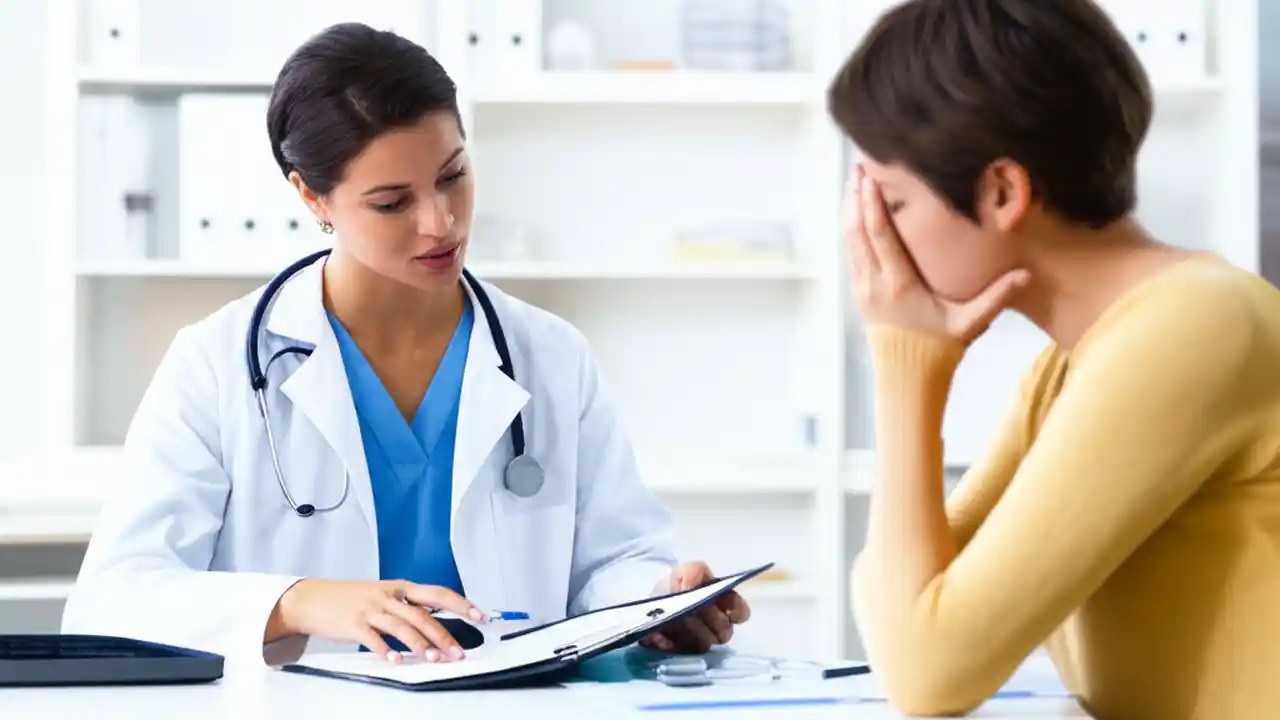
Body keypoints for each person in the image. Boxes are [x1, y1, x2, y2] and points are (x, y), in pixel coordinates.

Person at [62, 23, 748, 667]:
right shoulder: (215, 365)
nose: (440, 222)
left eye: (453, 175)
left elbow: (612, 561)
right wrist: (298, 601)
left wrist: (659, 600)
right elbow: (113, 601)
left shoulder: (551, 356)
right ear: (313, 198)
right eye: (393, 203)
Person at [827, 1, 1280, 718]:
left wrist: (903, 360)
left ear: (1002, 192)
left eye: (892, 200)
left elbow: (928, 670)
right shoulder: (1075, 362)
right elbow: (904, 604)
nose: (870, 234)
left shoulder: (1197, 325)